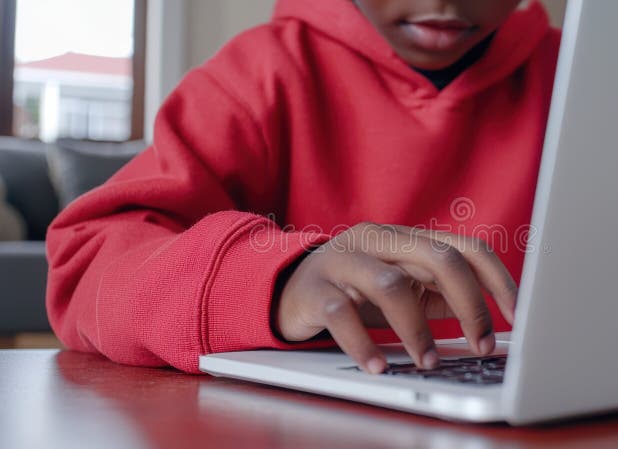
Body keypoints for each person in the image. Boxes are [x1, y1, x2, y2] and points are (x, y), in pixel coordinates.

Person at [45, 0, 561, 374]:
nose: (443, 1)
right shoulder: (262, 74)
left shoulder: (578, 74)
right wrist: (272, 284)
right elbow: (87, 263)